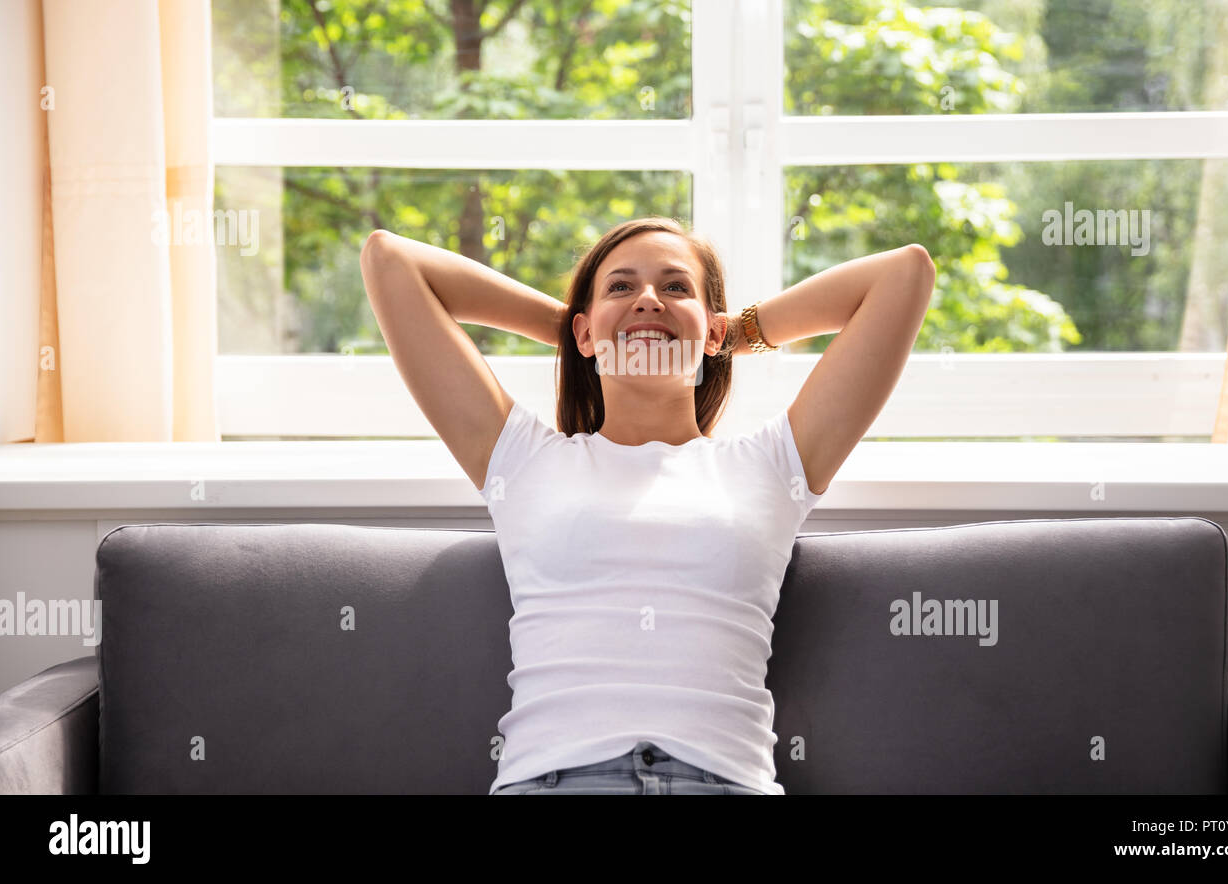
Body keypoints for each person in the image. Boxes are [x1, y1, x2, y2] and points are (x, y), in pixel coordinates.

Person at [360, 216, 935, 794]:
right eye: (620, 286)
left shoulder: (771, 466)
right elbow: (390, 260)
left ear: (712, 330)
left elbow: (903, 273)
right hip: (556, 781)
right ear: (583, 336)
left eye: (676, 287)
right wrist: (581, 329)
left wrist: (725, 333)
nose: (649, 300)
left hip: (725, 782)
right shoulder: (523, 460)